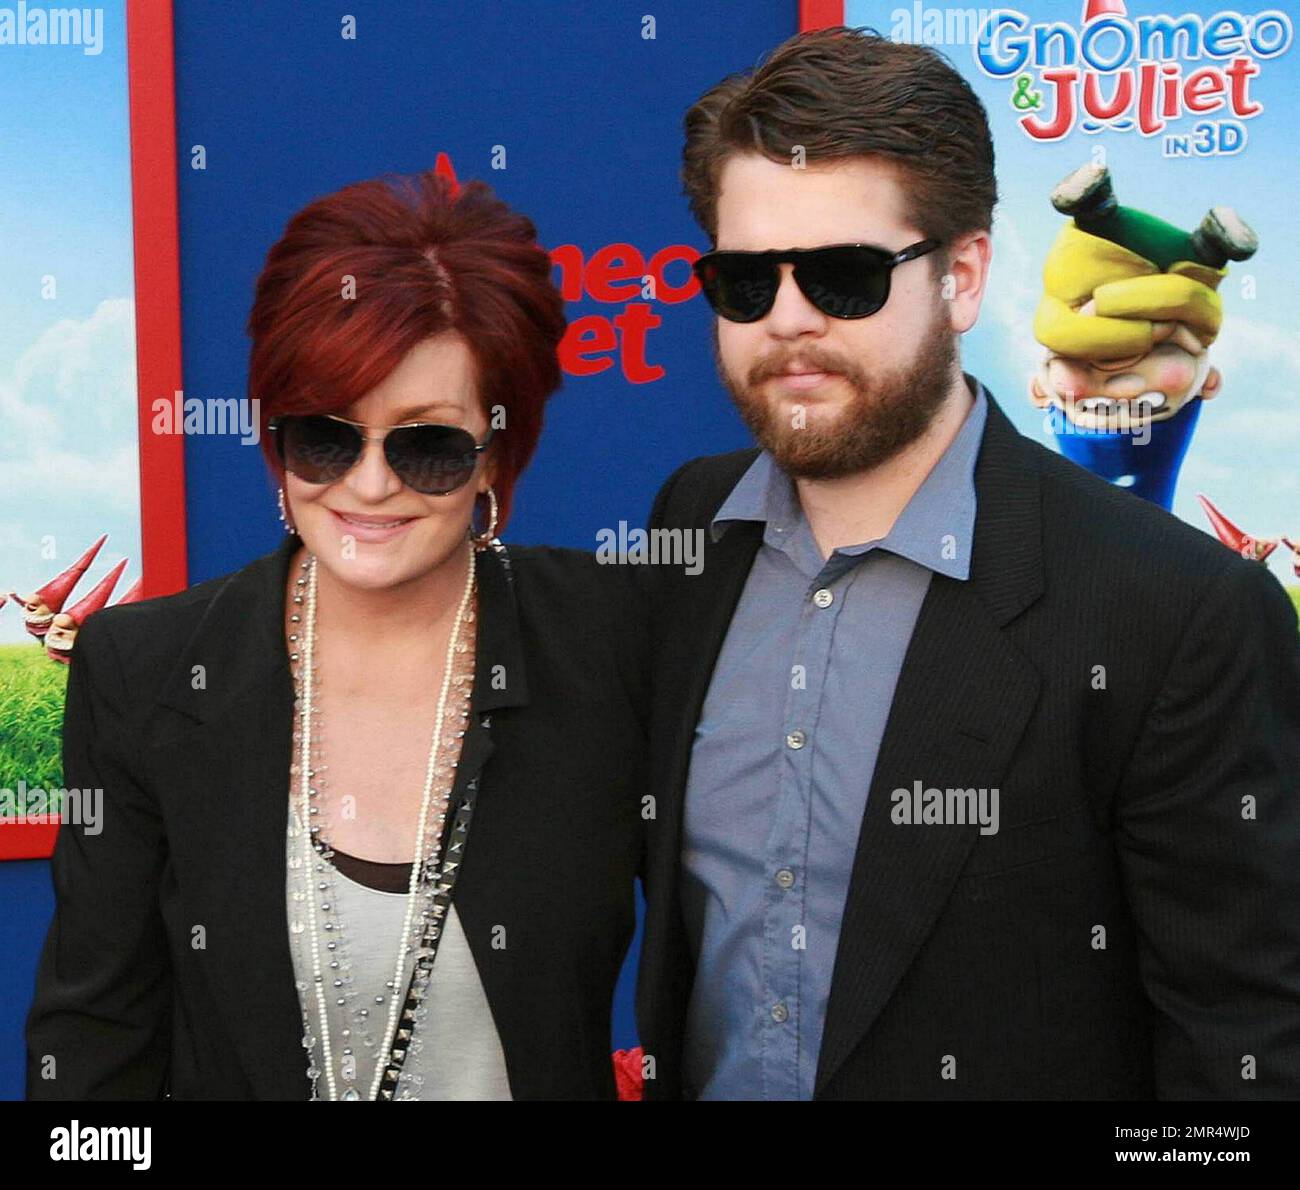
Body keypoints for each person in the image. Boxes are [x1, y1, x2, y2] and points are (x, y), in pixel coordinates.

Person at [636, 26, 1300, 1100]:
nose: (788, 319)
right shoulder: (689, 528)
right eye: (746, 279)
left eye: (846, 276)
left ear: (964, 276)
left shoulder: (1176, 610)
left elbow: (1243, 1053)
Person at [26, 169, 647, 1101]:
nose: (367, 486)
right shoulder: (143, 671)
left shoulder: (612, 637)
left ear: (495, 458)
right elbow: (95, 1040)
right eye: (324, 436)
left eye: (425, 445)